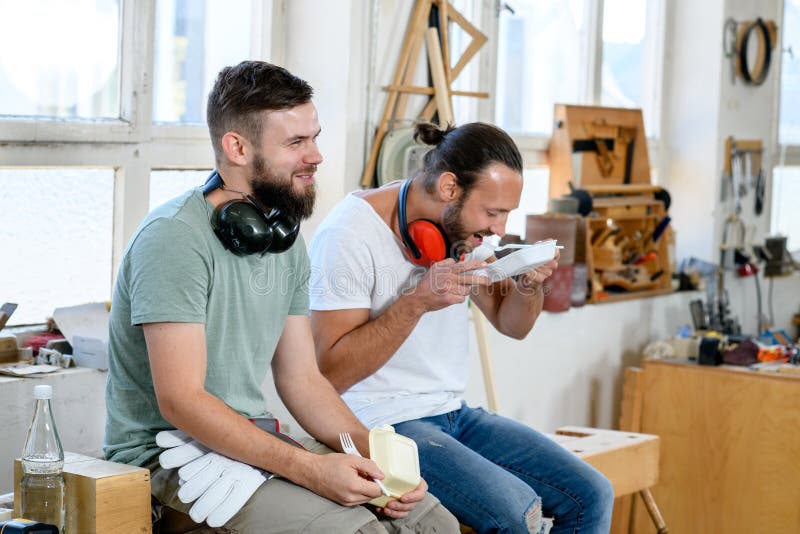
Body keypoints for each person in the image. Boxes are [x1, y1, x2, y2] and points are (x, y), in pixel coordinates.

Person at [103, 60, 458, 534]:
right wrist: (312, 470)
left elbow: (303, 380)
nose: (316, 156)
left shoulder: (282, 240)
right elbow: (182, 402)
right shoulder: (173, 239)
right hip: (170, 457)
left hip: (249, 441)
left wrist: (379, 459)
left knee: (432, 524)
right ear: (237, 147)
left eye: (314, 137)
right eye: (296, 143)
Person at [308, 122, 615, 534]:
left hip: (454, 415)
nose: (501, 229)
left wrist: (529, 285)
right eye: (494, 213)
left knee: (592, 494)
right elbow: (329, 375)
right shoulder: (349, 235)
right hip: (384, 422)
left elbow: (512, 325)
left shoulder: (460, 231)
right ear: (450, 188)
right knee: (517, 512)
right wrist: (416, 302)